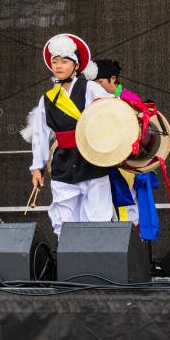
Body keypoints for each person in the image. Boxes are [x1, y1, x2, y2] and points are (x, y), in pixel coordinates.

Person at [26, 34, 114, 237]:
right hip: (63, 162)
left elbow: (112, 113)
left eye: (64, 61)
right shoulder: (48, 98)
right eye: (55, 61)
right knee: (64, 218)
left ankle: (98, 256)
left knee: (98, 217)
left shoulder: (90, 88)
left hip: (92, 160)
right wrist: (37, 167)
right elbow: (40, 134)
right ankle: (69, 254)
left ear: (76, 65)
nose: (58, 66)